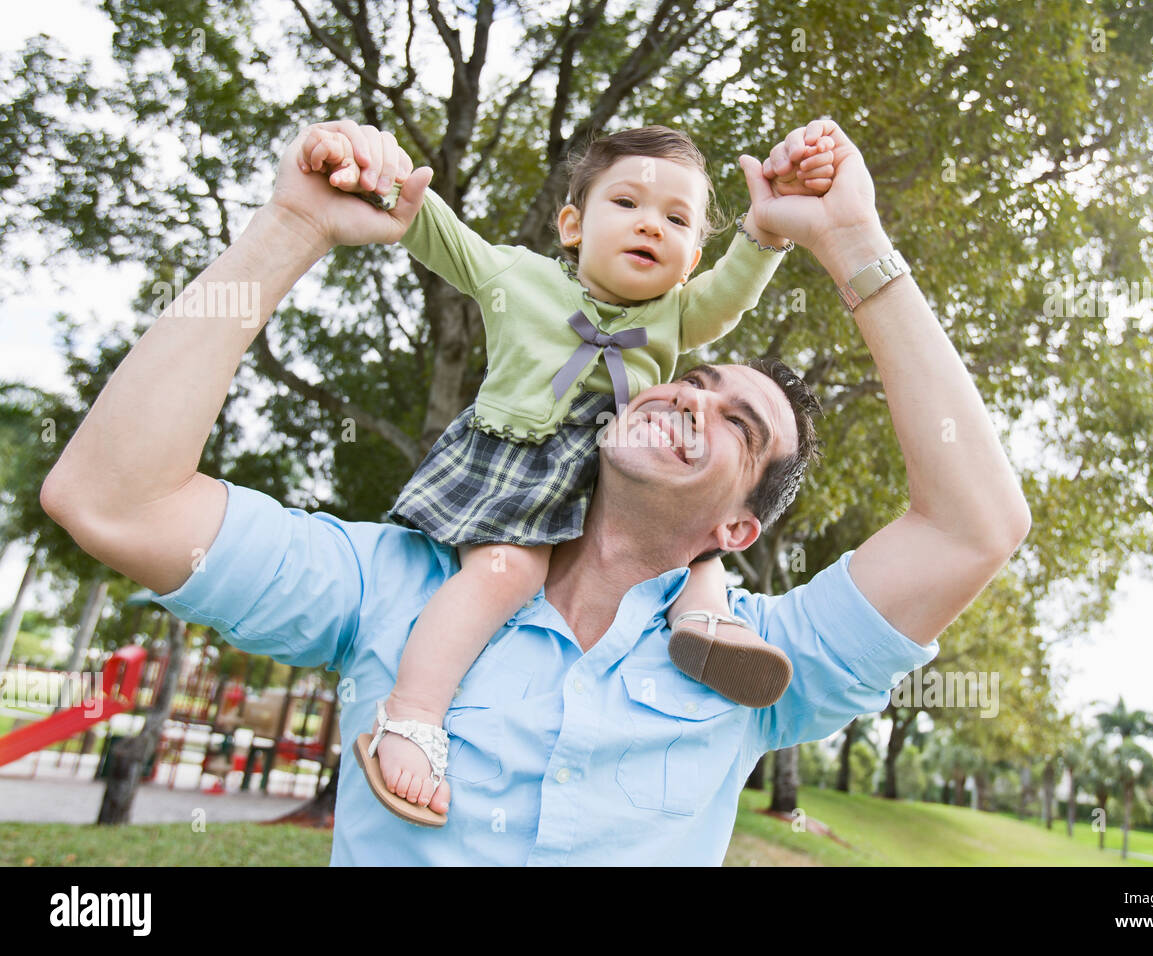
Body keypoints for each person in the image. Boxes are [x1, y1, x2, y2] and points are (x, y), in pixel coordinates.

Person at [40, 117, 1031, 866]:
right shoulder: (387, 580)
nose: (688, 395)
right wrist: (291, 227)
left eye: (735, 421)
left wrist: (850, 234)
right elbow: (113, 501)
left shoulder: (761, 670)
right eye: (688, 380)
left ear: (736, 524)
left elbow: (972, 526)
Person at [294, 121, 838, 826]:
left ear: (691, 256)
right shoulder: (521, 278)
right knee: (507, 576)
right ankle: (411, 716)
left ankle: (708, 622)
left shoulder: (675, 314)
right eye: (628, 205)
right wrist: (384, 181)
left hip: (605, 480)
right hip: (520, 467)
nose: (651, 226)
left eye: (675, 220)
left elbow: (732, 293)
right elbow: (446, 239)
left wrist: (767, 231)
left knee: (696, 540)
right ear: (573, 224)